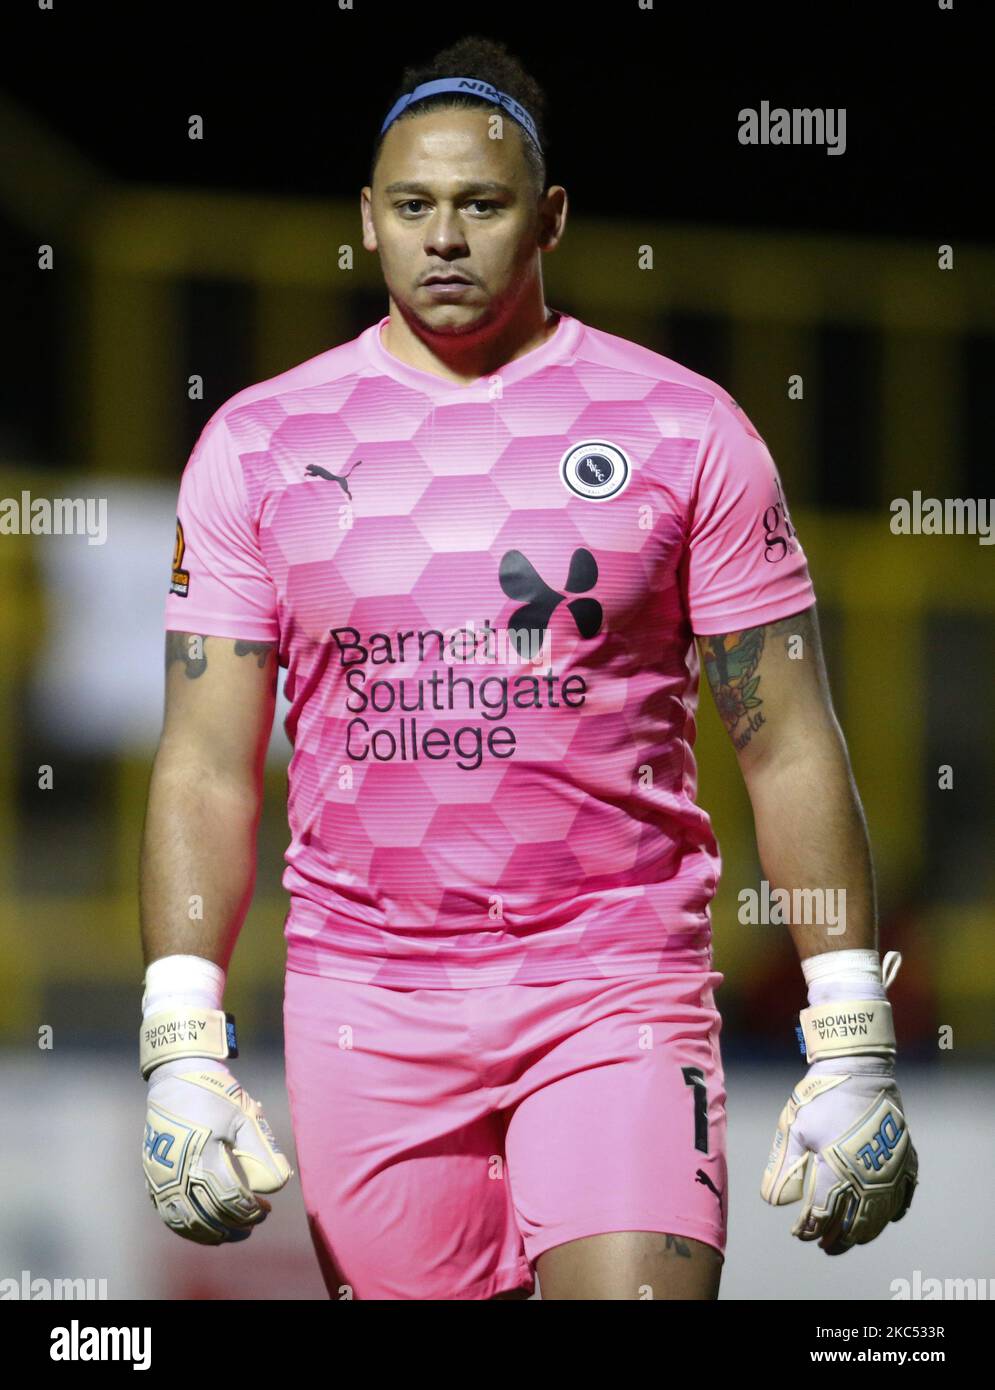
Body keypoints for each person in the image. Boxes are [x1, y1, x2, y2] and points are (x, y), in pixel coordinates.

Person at [138, 35, 917, 1301]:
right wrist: (178, 1032)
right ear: (366, 219)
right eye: (411, 206)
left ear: (548, 217)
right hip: (366, 1003)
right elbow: (206, 763)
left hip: (613, 983)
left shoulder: (684, 430)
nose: (443, 237)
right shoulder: (259, 446)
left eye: (481, 204)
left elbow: (785, 737)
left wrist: (848, 1032)